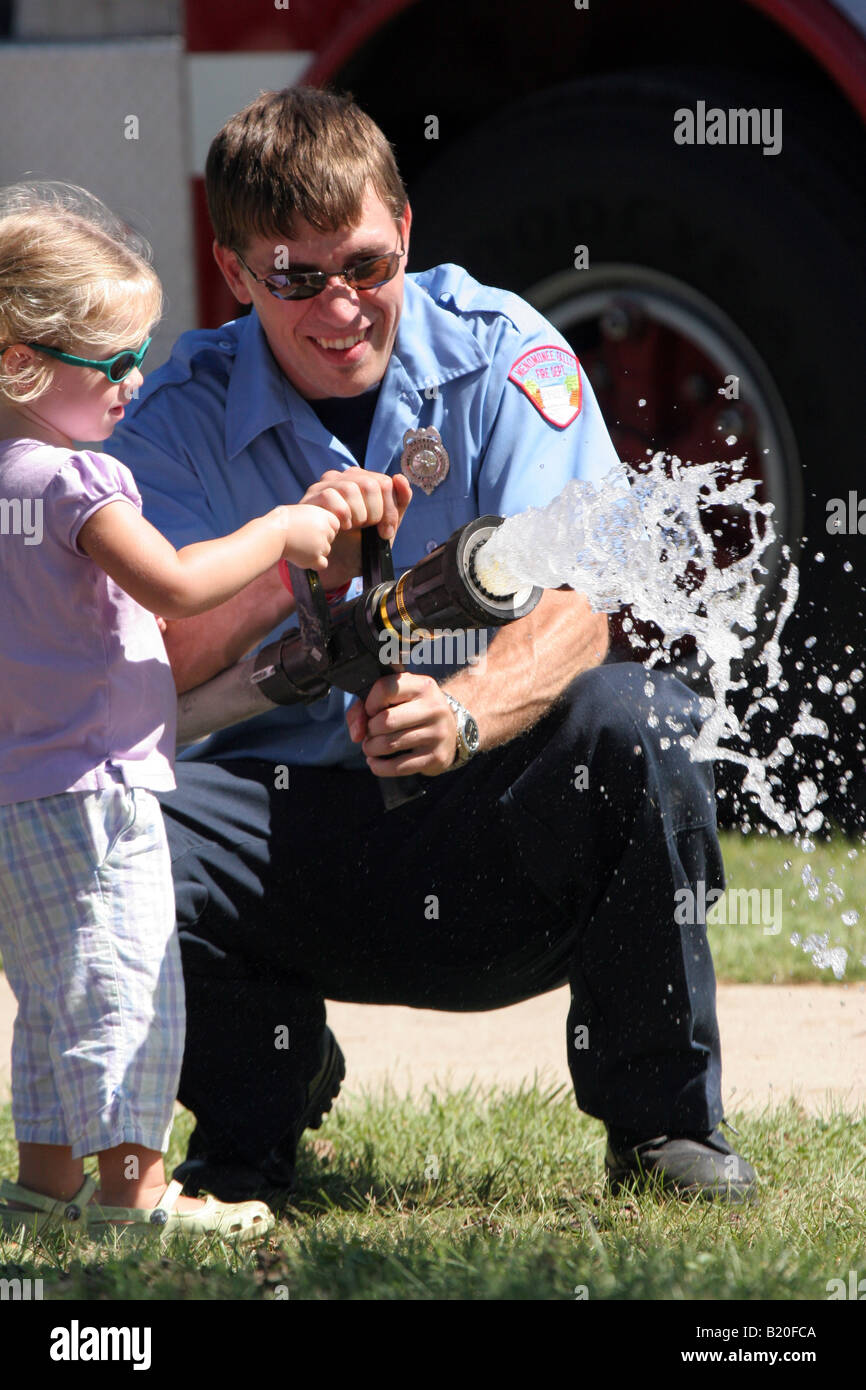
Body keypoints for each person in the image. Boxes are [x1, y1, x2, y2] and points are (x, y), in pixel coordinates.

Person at [112, 87, 757, 1205]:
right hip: (286, 831)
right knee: (107, 807)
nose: (341, 307)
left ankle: (663, 1129)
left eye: (364, 264)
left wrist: (462, 715)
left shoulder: (504, 354)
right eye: (295, 278)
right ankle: (254, 1113)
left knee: (643, 718)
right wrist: (281, 573)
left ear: (404, 230)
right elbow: (133, 676)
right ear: (234, 274)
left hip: (484, 829)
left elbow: (584, 601)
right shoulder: (173, 417)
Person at [0, 182, 348, 1240]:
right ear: (20, 361)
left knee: (55, 998)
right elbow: (180, 585)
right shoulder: (70, 485)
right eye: (111, 364)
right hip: (97, 795)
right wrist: (284, 529)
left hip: (22, 796)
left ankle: (47, 1183)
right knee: (131, 992)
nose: (133, 382)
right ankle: (136, 1196)